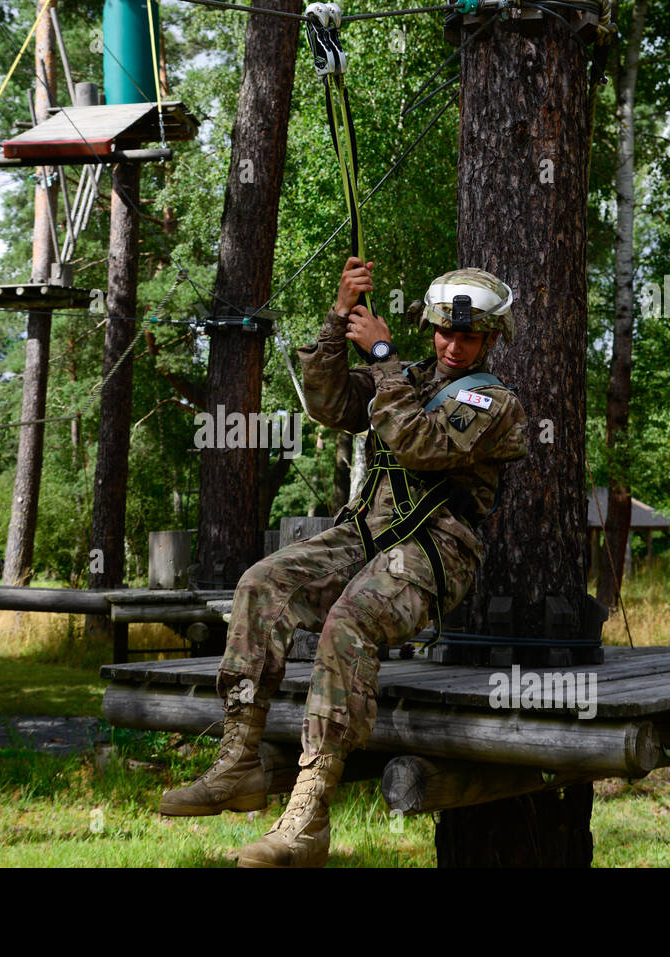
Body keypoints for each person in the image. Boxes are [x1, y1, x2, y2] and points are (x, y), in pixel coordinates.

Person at [160, 256, 529, 867]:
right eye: (444, 332)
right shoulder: (405, 376)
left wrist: (382, 358)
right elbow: (330, 402)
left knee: (350, 621)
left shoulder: (493, 403)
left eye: (469, 336)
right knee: (263, 582)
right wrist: (340, 318)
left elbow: (417, 441)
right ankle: (238, 758)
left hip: (434, 552)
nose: (454, 346)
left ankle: (308, 814)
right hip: (367, 536)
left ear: (490, 340)